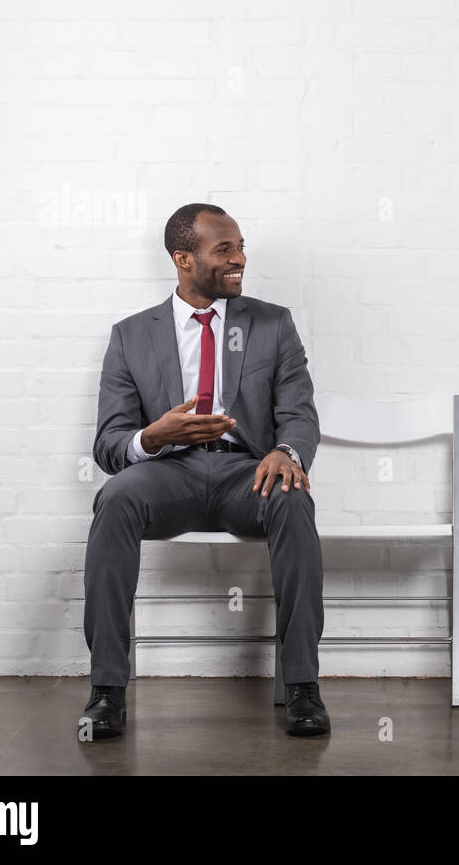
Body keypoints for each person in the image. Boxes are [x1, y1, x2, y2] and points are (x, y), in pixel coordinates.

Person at [81, 202, 328, 738]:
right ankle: (106, 691)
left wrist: (287, 451)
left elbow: (299, 412)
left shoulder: (273, 323)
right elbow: (108, 443)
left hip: (248, 474)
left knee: (292, 496)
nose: (239, 259)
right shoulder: (131, 335)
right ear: (183, 259)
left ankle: (303, 688)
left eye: (241, 248)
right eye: (225, 250)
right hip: (170, 475)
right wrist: (152, 438)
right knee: (116, 497)